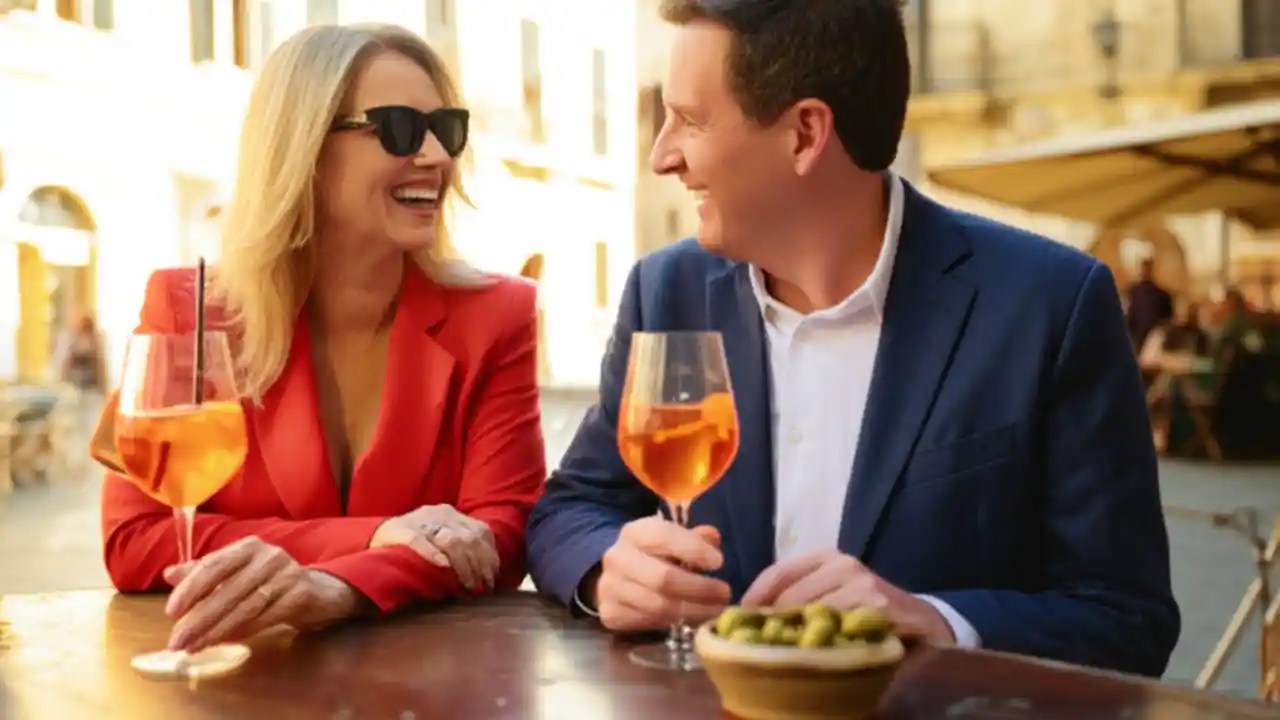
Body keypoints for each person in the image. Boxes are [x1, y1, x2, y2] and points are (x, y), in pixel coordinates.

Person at [526, 0, 1179, 678]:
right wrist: (608, 570)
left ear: (806, 133)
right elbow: (571, 508)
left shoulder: (1051, 305)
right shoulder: (666, 291)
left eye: (688, 120)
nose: (663, 155)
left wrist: (936, 620)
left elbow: (1127, 619)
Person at [100, 24, 545, 654]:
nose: (438, 157)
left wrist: (338, 588)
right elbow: (135, 539)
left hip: (432, 686)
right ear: (303, 149)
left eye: (446, 128)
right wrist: (372, 536)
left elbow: (502, 536)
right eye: (397, 127)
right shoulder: (186, 310)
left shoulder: (498, 314)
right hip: (232, 684)